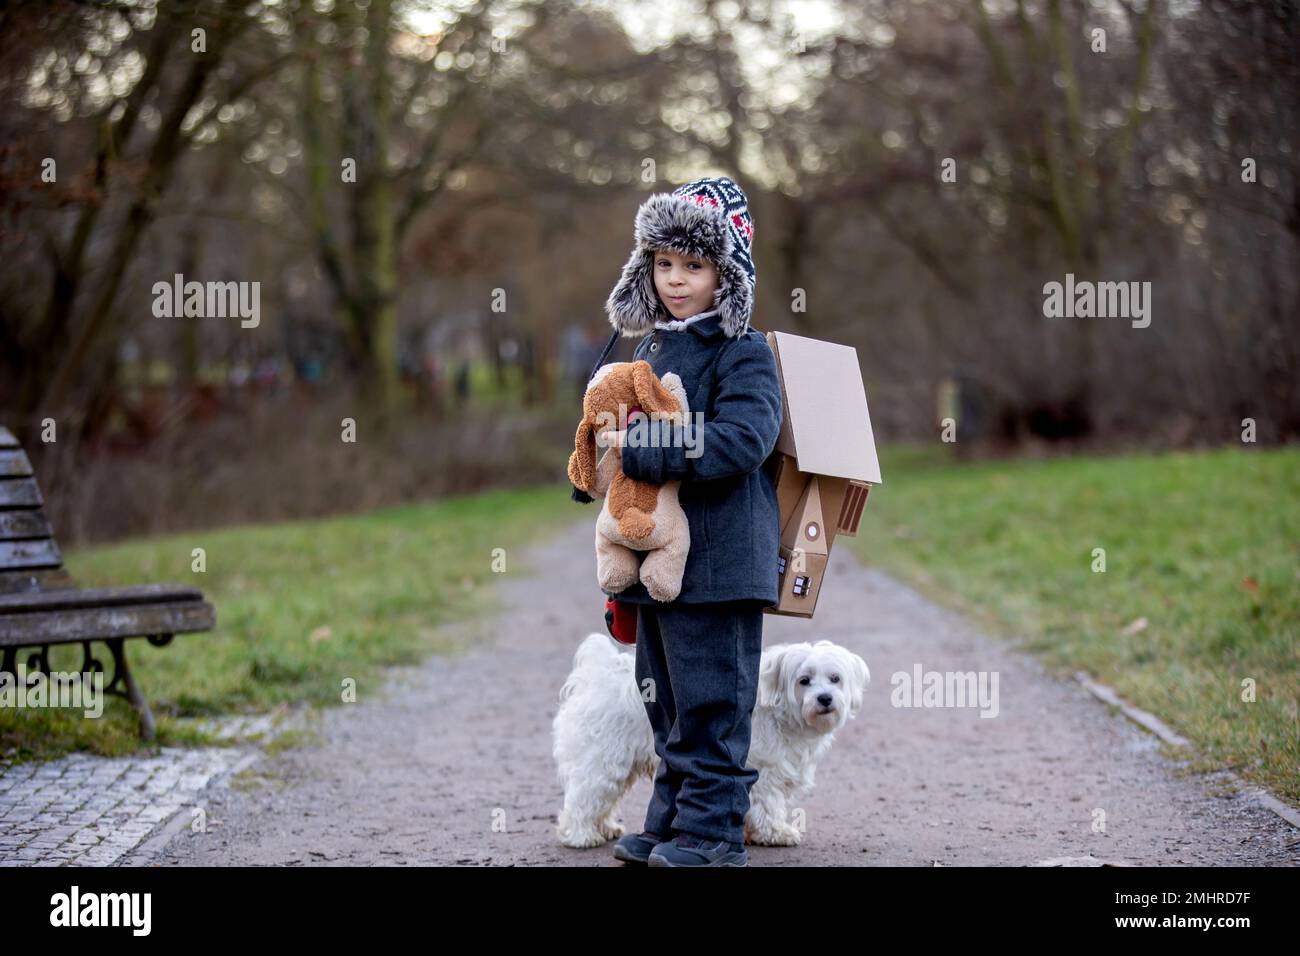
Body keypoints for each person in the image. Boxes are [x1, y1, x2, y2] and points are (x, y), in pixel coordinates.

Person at [599, 176, 783, 867]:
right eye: (664, 264)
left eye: (695, 266)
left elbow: (744, 439)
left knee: (712, 703)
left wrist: (648, 450)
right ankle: (673, 820)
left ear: (725, 273)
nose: (676, 281)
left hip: (721, 562)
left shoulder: (744, 352)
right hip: (657, 567)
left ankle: (713, 833)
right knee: (667, 703)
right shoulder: (652, 350)